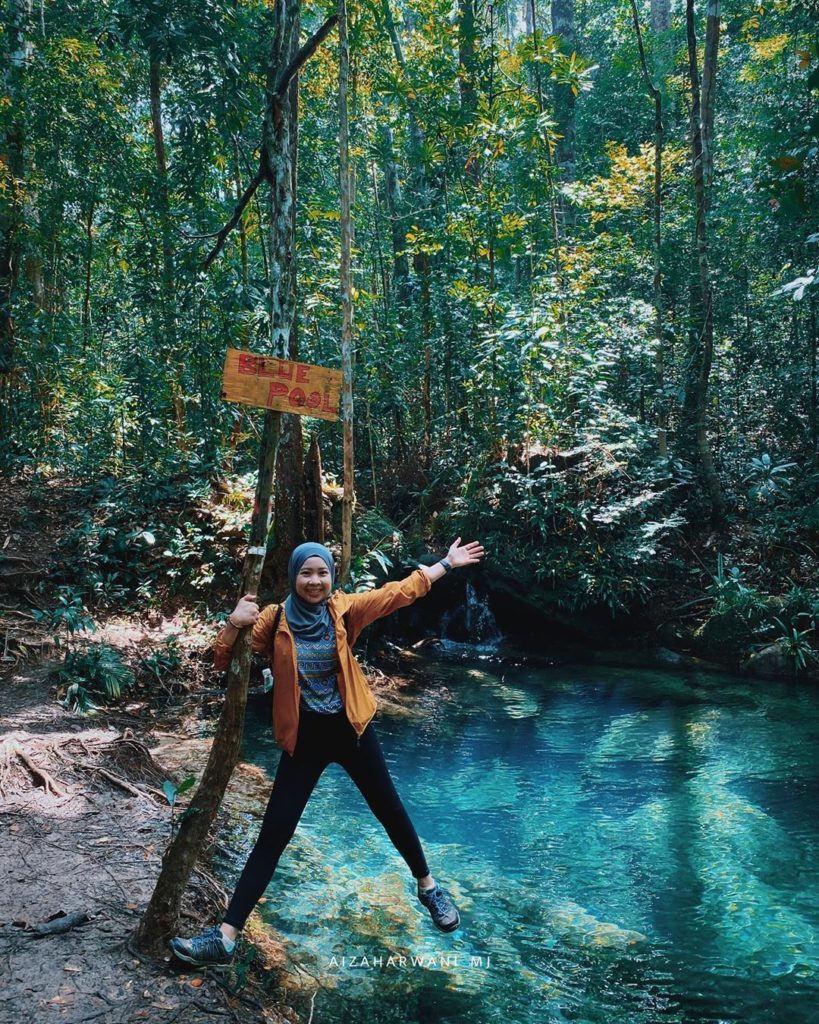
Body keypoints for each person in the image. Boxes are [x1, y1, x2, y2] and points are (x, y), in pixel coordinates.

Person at [169, 537, 485, 967]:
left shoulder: (344, 609)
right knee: (274, 833)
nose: (314, 581)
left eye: (322, 573)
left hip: (352, 729)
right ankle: (225, 938)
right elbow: (222, 660)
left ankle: (428, 887)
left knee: (390, 809)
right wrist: (232, 622)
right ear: (294, 576)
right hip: (304, 738)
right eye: (306, 573)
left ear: (331, 577)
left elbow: (399, 592)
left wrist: (446, 563)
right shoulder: (272, 619)